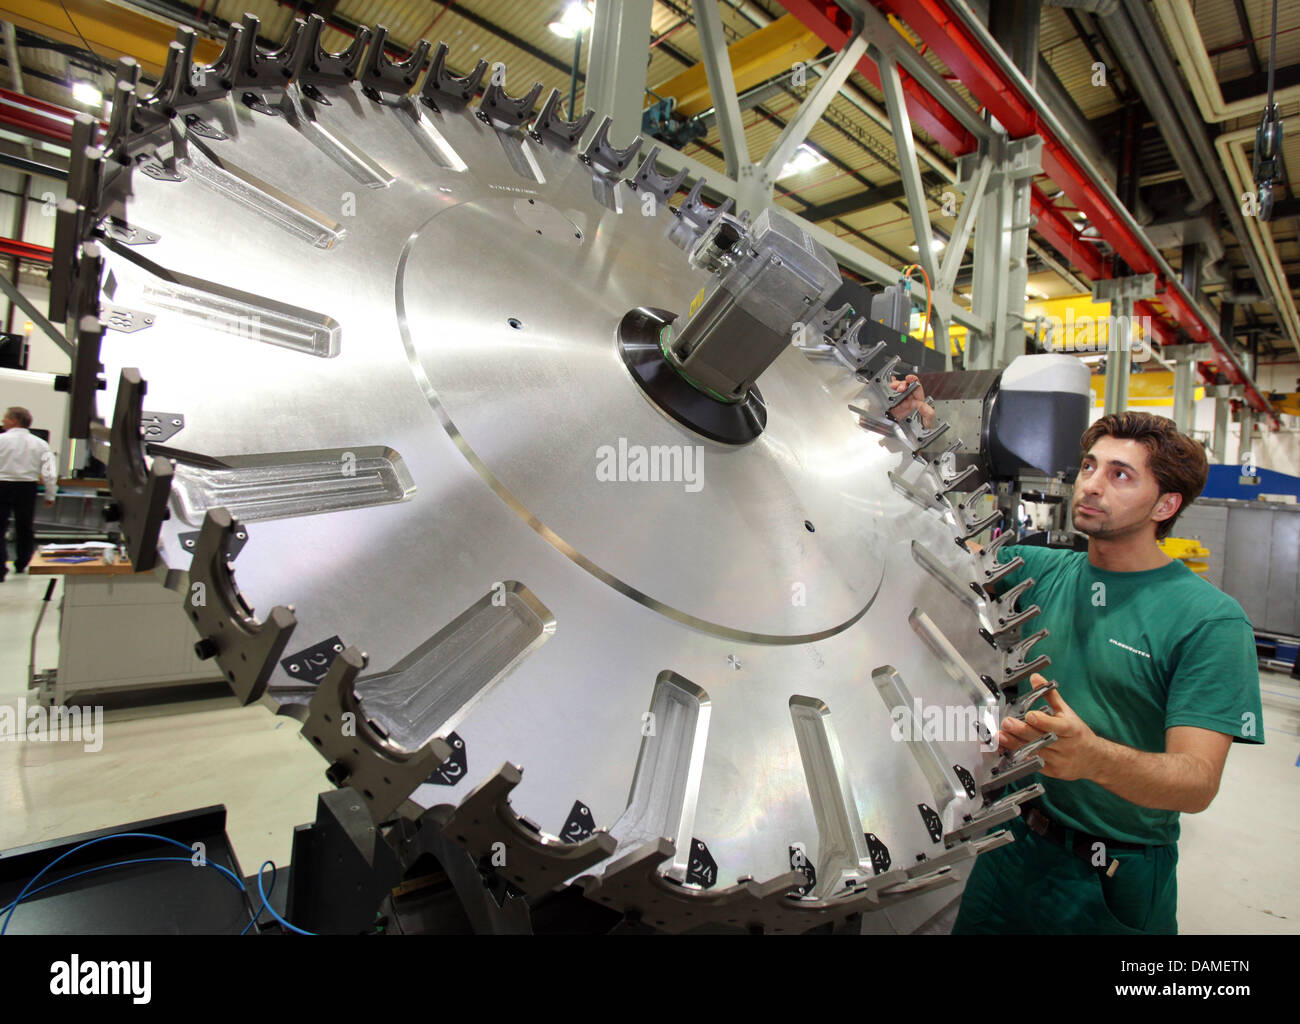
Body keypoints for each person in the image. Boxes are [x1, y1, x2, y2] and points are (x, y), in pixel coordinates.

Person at [0, 406, 58, 580]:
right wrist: (50, 494)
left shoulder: (1, 440)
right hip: (26, 487)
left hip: (1, 485)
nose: (3, 421)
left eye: (5, 418)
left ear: (14, 420)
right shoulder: (40, 444)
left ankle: (0, 569)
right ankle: (22, 562)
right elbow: (49, 473)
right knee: (25, 527)